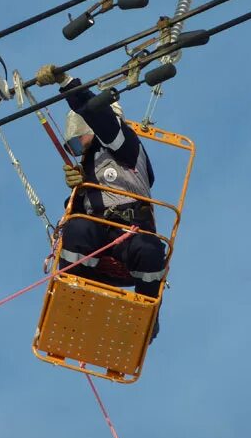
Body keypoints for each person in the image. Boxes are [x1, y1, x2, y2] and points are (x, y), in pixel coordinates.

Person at [35, 63, 166, 337]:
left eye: (76, 141)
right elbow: (77, 220)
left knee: (149, 249)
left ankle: (146, 315)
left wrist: (66, 82)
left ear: (90, 129)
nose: (76, 150)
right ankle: (74, 299)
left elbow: (98, 114)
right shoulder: (89, 173)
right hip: (97, 252)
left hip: (130, 238)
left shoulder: (123, 145)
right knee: (78, 227)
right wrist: (78, 192)